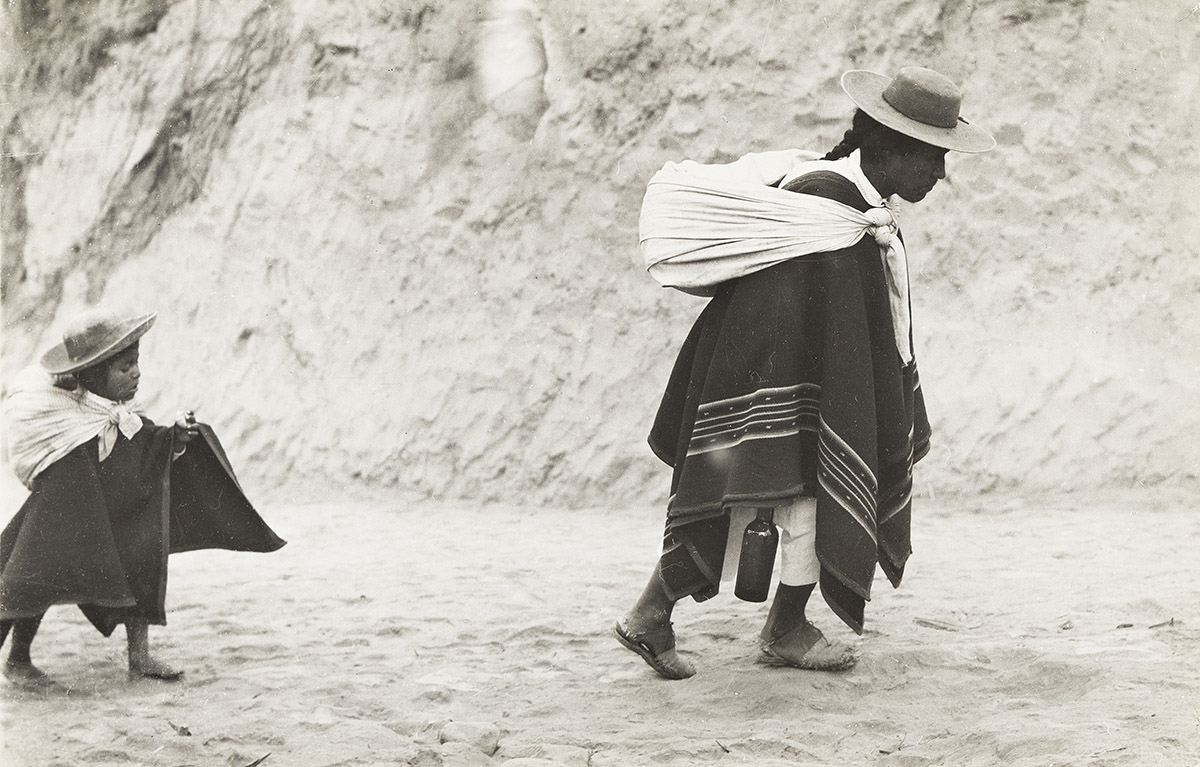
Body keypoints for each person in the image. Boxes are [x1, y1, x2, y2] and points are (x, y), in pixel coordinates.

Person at [615, 66, 994, 679]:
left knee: (805, 500)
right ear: (889, 150)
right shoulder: (825, 206)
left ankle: (782, 625)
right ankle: (652, 614)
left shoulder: (858, 213)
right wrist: (827, 401)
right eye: (932, 159)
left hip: (797, 388)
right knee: (741, 496)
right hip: (769, 387)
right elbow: (777, 314)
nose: (941, 174)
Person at [0, 308, 287, 687]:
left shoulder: (121, 412)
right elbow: (64, 467)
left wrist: (176, 438)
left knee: (142, 556)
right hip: (62, 517)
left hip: (114, 514)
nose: (136, 373)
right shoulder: (64, 416)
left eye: (136, 364)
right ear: (92, 375)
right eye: (124, 368)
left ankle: (140, 657)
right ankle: (18, 658)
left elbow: (142, 442)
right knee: (31, 580)